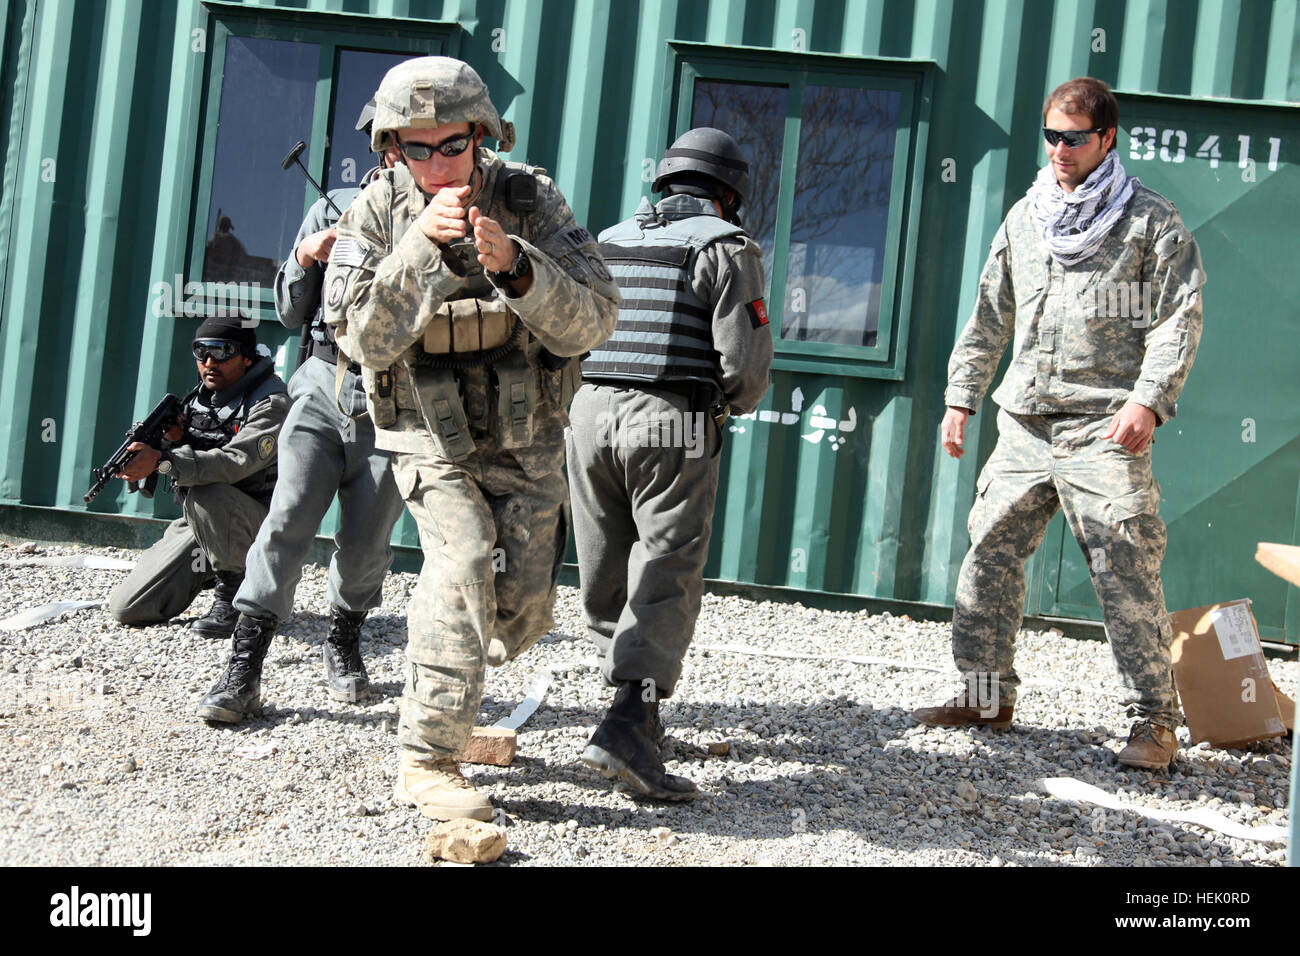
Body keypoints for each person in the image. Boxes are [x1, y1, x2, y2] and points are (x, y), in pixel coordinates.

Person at [321, 56, 618, 820]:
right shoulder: (375, 214)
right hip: (427, 433)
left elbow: (597, 318)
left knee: (520, 608)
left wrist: (521, 270)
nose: (434, 164)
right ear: (389, 147)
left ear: (482, 135)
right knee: (457, 565)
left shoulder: (529, 197)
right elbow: (359, 339)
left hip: (526, 436)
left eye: (450, 145)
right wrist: (419, 249)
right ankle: (429, 758)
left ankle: (458, 669)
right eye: (412, 149)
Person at [913, 77, 1205, 770]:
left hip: (1104, 425)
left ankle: (1154, 723)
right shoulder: (1026, 217)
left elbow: (1177, 320)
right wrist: (962, 397)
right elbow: (989, 314)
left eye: (1074, 138)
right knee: (988, 552)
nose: (1060, 150)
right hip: (1026, 424)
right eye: (1051, 136)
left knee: (1124, 564)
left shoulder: (1151, 223)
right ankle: (985, 695)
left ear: (1107, 138)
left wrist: (1148, 400)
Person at [567, 127, 772, 800]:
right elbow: (743, 364)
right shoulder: (726, 246)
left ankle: (634, 714)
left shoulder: (610, 237)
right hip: (673, 418)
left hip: (587, 412)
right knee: (667, 567)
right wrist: (731, 404)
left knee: (606, 565)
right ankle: (629, 723)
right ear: (729, 195)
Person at [195, 102, 408, 723]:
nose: (397, 152)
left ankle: (344, 637)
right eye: (389, 141)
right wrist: (307, 255)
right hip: (321, 379)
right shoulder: (332, 203)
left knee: (368, 539)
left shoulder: (439, 216)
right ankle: (245, 666)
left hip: (395, 398)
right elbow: (290, 313)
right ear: (378, 144)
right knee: (287, 519)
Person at [108, 316, 290, 632]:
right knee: (128, 608)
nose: (209, 362)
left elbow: (236, 461)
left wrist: (164, 461)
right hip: (207, 522)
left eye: (222, 351)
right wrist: (175, 440)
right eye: (201, 351)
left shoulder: (271, 402)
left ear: (247, 357)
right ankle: (211, 565)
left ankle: (234, 598)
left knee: (208, 490)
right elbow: (206, 446)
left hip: (263, 527)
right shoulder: (204, 396)